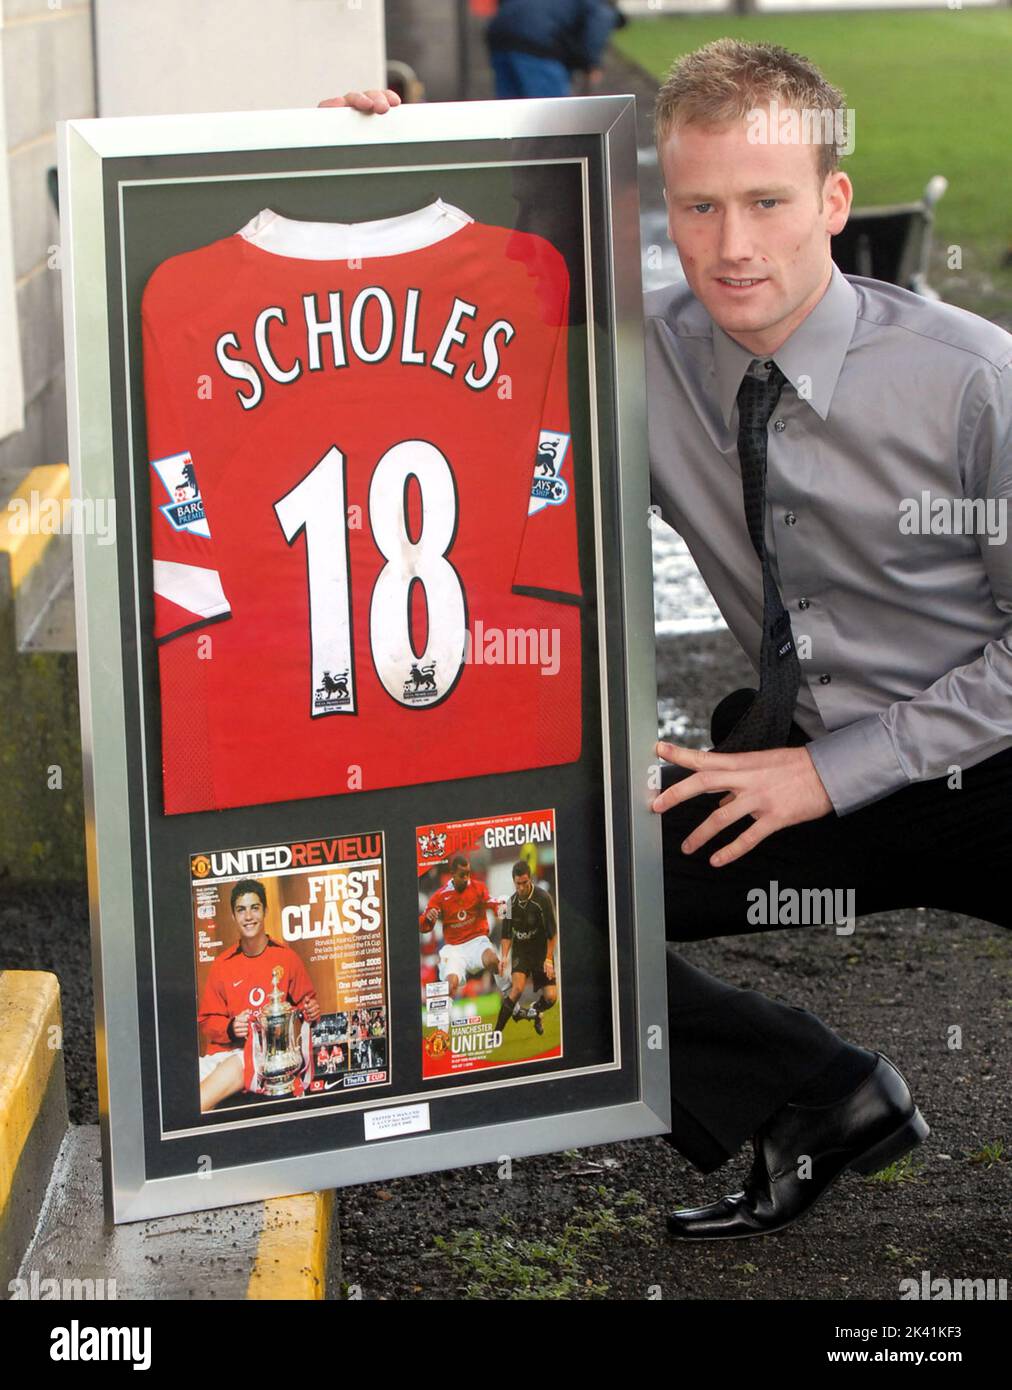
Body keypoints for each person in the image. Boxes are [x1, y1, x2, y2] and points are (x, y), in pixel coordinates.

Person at [325, 40, 1010, 1239]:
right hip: (786, 773)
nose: (732, 245)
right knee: (490, 901)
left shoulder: (973, 381)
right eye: (699, 206)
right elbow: (441, 349)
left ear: (833, 203)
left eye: (766, 203)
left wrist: (827, 772)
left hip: (983, 763)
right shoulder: (636, 361)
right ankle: (814, 1092)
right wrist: (379, 174)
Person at [197, 879, 321, 1112]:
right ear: (233, 916)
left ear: (265, 911)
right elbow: (206, 1022)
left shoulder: (286, 958)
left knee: (198, 1104)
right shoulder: (222, 965)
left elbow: (307, 1007)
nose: (248, 916)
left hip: (258, 1056)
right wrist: (231, 1027)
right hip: (221, 1054)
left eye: (255, 908)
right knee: (176, 1094)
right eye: (241, 910)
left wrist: (312, 1011)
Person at [485, 0, 620, 100]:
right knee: (555, 116)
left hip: (500, 35)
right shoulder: (600, 6)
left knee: (511, 115)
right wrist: (592, 64)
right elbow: (597, 28)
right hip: (537, 42)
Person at [419, 855, 503, 999]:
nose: (466, 878)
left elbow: (492, 903)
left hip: (477, 943)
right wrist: (428, 918)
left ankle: (506, 995)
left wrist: (501, 908)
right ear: (453, 874)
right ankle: (446, 1017)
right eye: (462, 875)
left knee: (493, 960)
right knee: (451, 984)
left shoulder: (478, 887)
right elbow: (423, 926)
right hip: (455, 949)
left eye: (468, 874)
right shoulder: (440, 896)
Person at [494, 861, 559, 1039]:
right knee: (517, 989)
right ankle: (496, 1033)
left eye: (524, 882)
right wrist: (504, 957)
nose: (521, 887)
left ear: (530, 879)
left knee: (552, 998)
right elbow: (506, 935)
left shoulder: (543, 898)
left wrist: (548, 958)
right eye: (518, 883)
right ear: (513, 881)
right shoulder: (509, 904)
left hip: (541, 952)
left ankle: (535, 1011)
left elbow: (552, 934)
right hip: (521, 952)